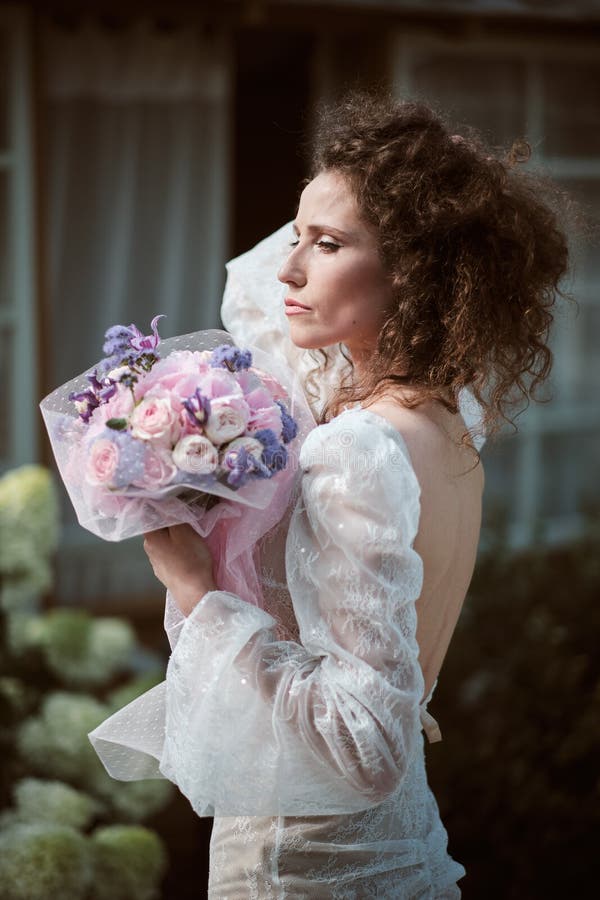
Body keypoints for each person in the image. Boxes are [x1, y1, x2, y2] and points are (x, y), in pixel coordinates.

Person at [92, 92, 570, 897]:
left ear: (412, 271)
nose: (289, 267)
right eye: (295, 234)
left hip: (307, 865)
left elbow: (367, 747)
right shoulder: (453, 423)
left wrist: (197, 591)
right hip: (392, 851)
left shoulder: (357, 447)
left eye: (327, 243)